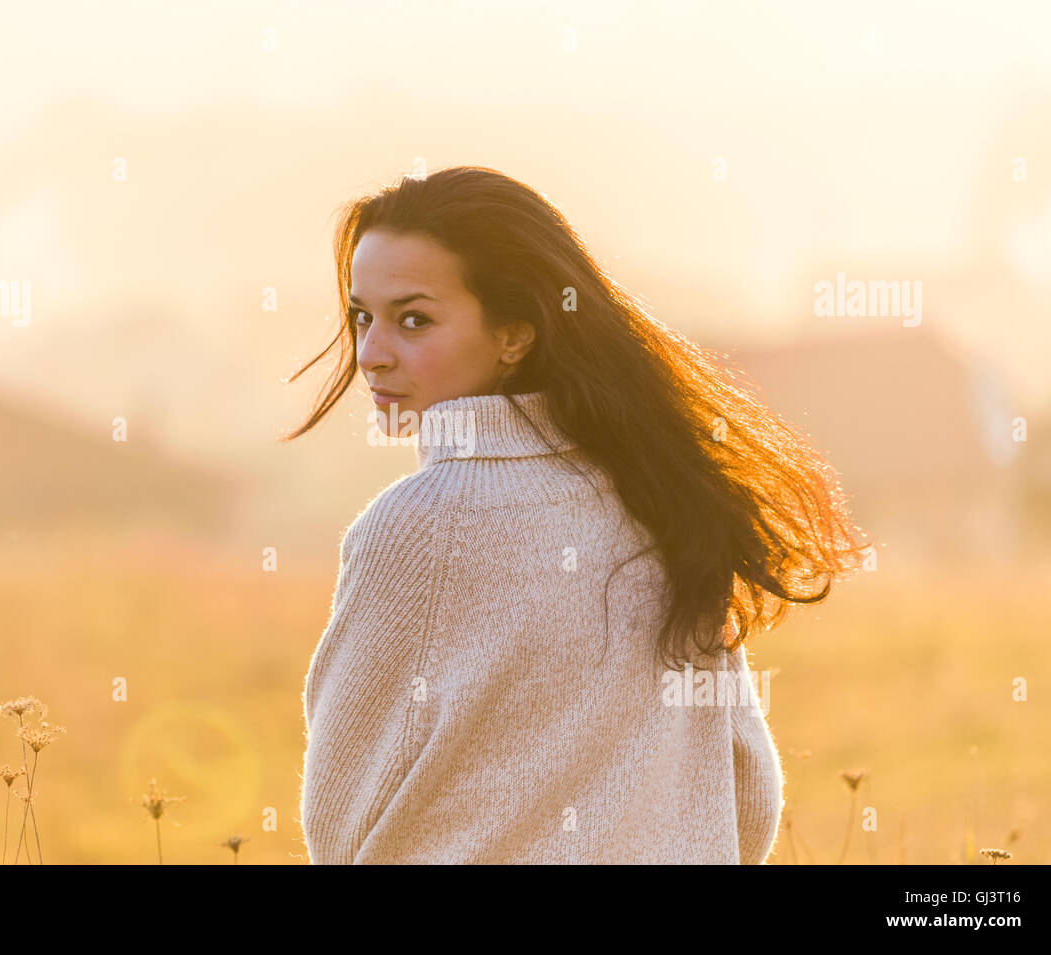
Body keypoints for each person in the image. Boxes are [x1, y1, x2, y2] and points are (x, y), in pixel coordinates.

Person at [282, 166, 869, 864]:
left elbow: (340, 823)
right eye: (361, 317)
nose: (373, 354)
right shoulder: (662, 496)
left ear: (514, 335)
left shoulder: (413, 531)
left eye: (414, 319)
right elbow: (750, 793)